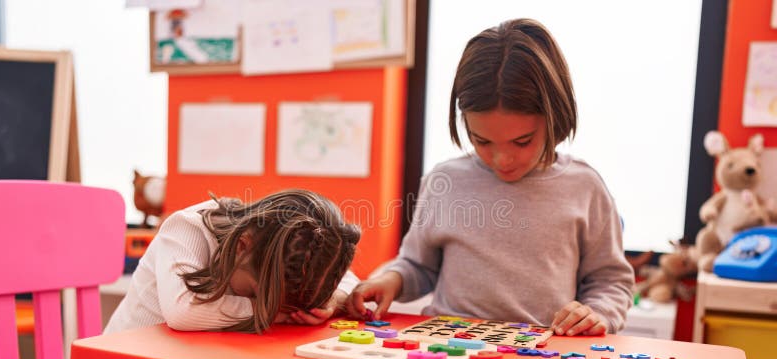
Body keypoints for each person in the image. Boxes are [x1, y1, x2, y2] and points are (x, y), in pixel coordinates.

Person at [345, 18, 634, 336]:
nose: (502, 159)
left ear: (556, 116)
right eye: (482, 141)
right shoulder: (445, 181)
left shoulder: (584, 186)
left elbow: (610, 280)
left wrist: (598, 314)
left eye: (522, 141)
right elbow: (418, 266)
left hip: (541, 358)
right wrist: (391, 280)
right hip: (448, 349)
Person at [105, 189, 361, 334]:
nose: (261, 304)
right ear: (242, 245)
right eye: (253, 293)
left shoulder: (285, 253)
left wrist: (334, 299)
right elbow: (184, 311)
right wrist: (276, 313)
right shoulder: (187, 226)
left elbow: (350, 280)